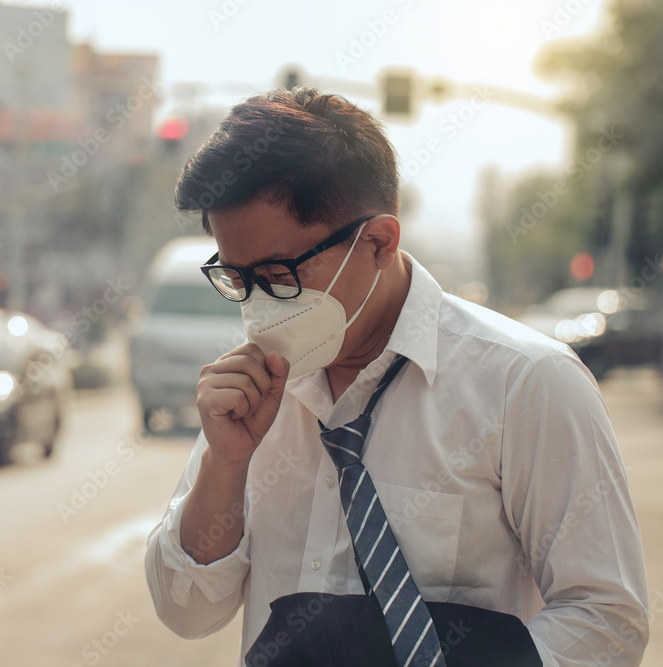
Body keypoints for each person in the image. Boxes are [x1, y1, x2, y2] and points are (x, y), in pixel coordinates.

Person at [144, 88, 650, 666]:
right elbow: (188, 612)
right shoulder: (250, 393)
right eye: (237, 278)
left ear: (380, 241)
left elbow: (607, 618)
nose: (259, 304)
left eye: (279, 274)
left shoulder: (526, 384)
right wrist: (225, 463)